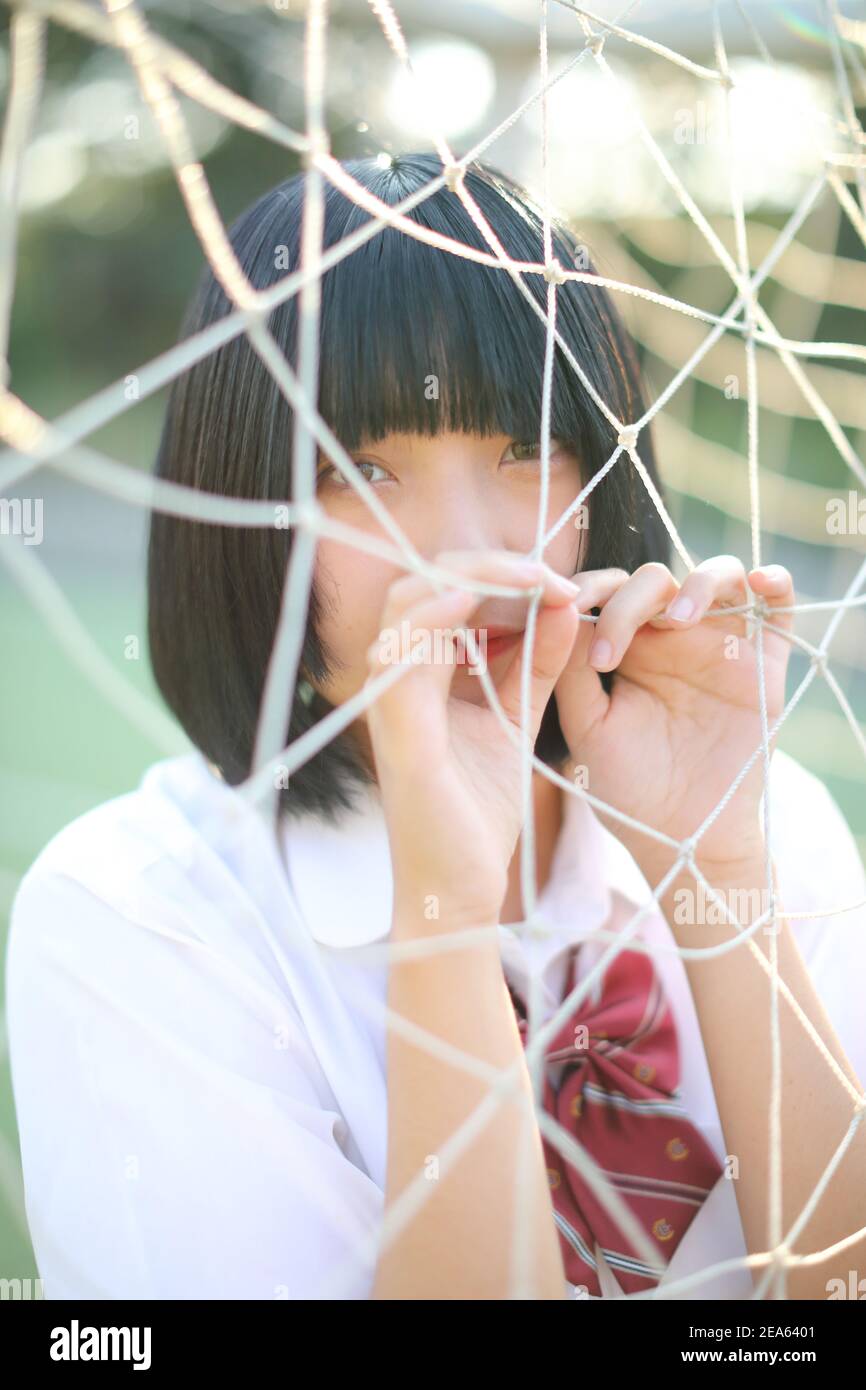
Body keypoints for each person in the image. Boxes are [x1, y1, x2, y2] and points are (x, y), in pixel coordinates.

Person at [6, 152, 866, 1300]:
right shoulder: (135, 913)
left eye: (523, 450)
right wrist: (445, 919)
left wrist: (714, 867)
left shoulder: (761, 821)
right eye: (358, 469)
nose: (471, 551)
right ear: (240, 505)